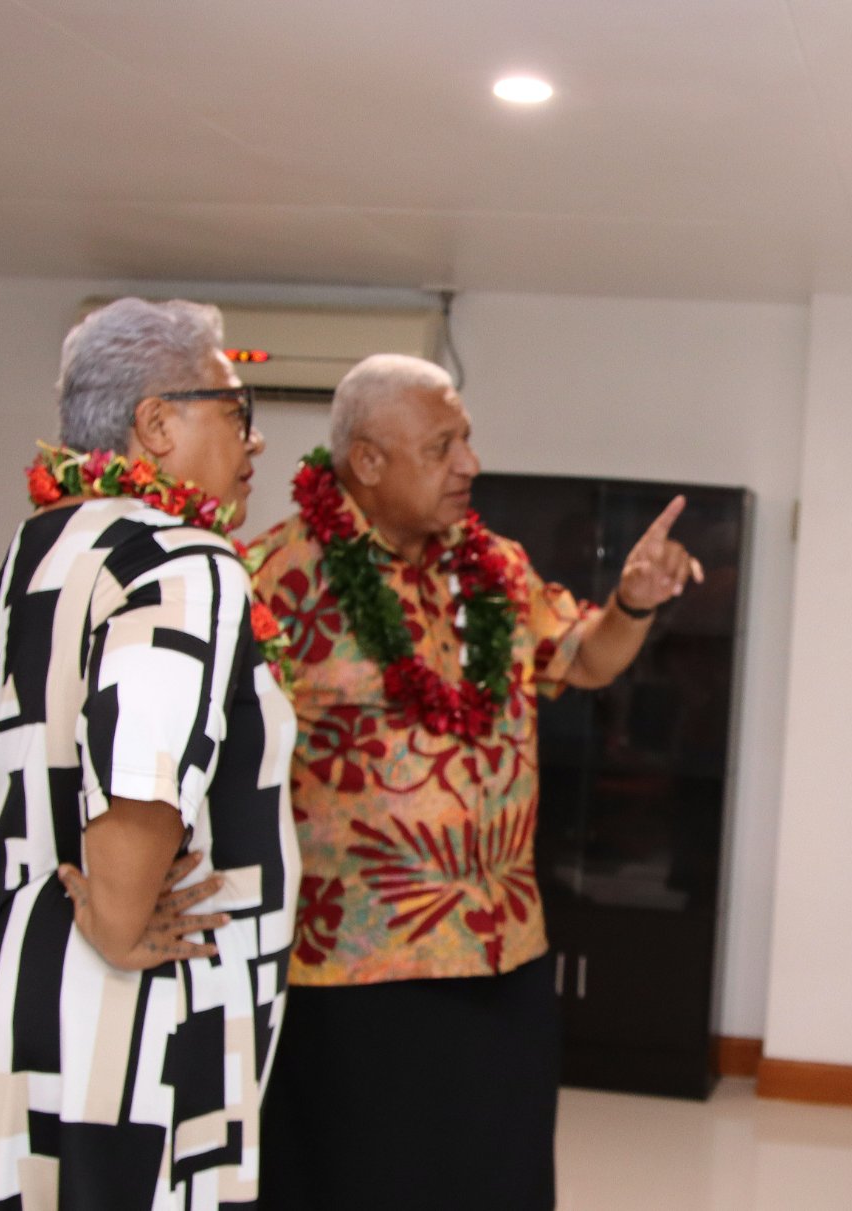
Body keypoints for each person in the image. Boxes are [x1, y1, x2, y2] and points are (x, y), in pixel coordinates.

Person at [249, 354, 700, 1210]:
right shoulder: (272, 580)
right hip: (353, 976)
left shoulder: (497, 566)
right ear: (369, 461)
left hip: (503, 961)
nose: (470, 464)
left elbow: (587, 657)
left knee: (498, 1183)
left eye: (468, 440)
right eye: (443, 445)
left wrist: (633, 603)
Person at [0, 298, 299, 1210]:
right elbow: (145, 753)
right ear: (156, 423)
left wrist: (38, 846)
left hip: (1, 994)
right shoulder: (185, 561)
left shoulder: (39, 547)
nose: (256, 442)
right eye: (238, 413)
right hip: (124, 1029)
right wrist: (118, 910)